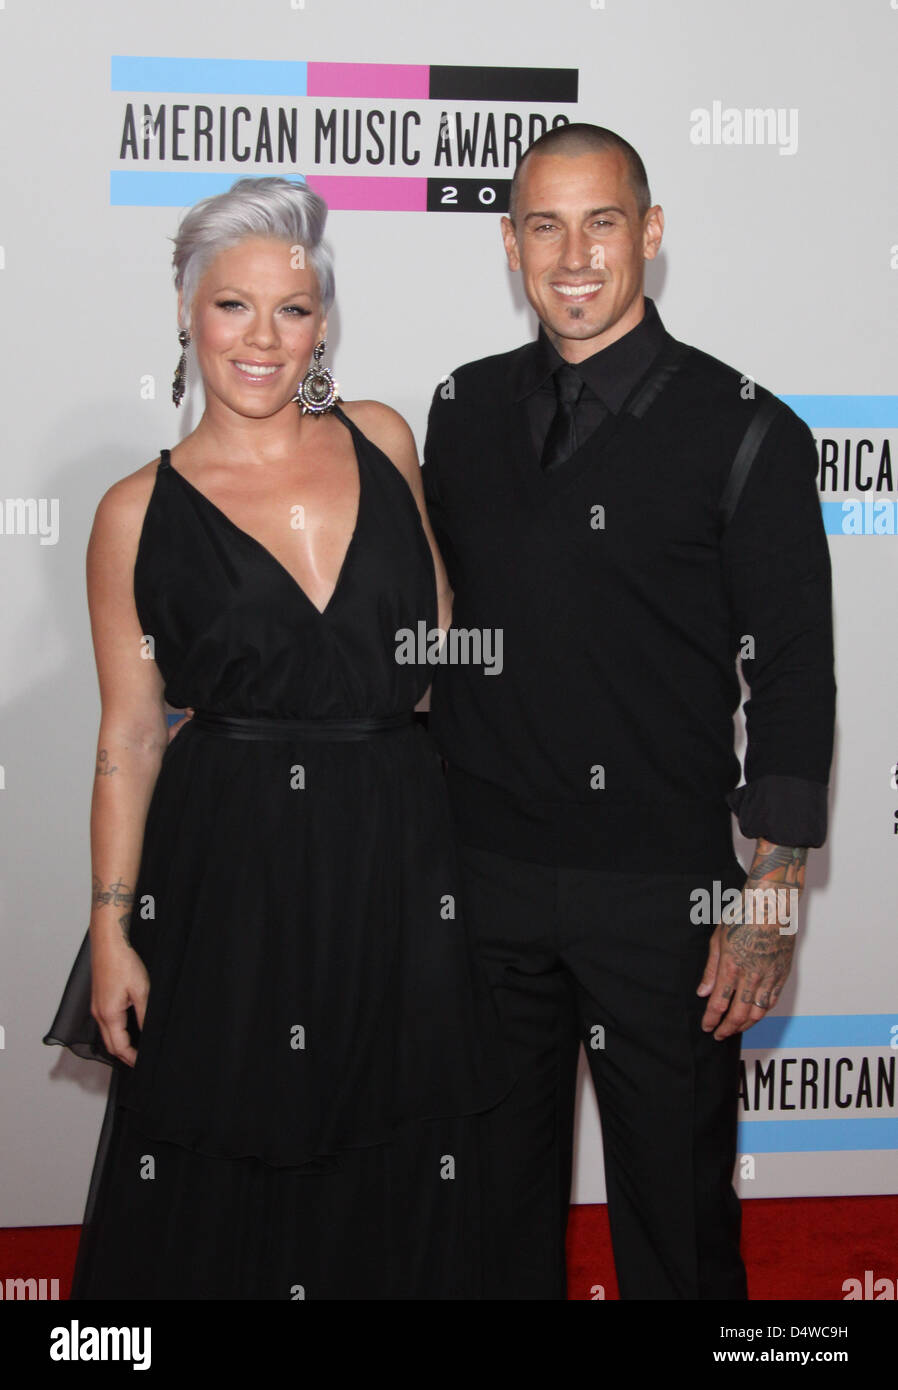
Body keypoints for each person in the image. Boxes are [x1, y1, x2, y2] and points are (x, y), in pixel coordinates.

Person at [44, 175, 511, 1300]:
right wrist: (111, 929)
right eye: (231, 305)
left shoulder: (385, 439)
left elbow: (444, 650)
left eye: (292, 309)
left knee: (399, 1137)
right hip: (229, 866)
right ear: (183, 308)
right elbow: (129, 735)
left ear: (323, 321)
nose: (263, 338)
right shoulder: (134, 511)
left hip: (396, 852)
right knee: (224, 1144)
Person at [422, 124, 835, 1300]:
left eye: (600, 221)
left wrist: (769, 887)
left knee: (679, 1224)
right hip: (483, 879)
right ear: (509, 245)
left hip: (664, 899)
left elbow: (795, 677)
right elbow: (443, 629)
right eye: (542, 225)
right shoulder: (461, 411)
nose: (573, 255)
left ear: (649, 233)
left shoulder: (747, 428)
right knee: (492, 1218)